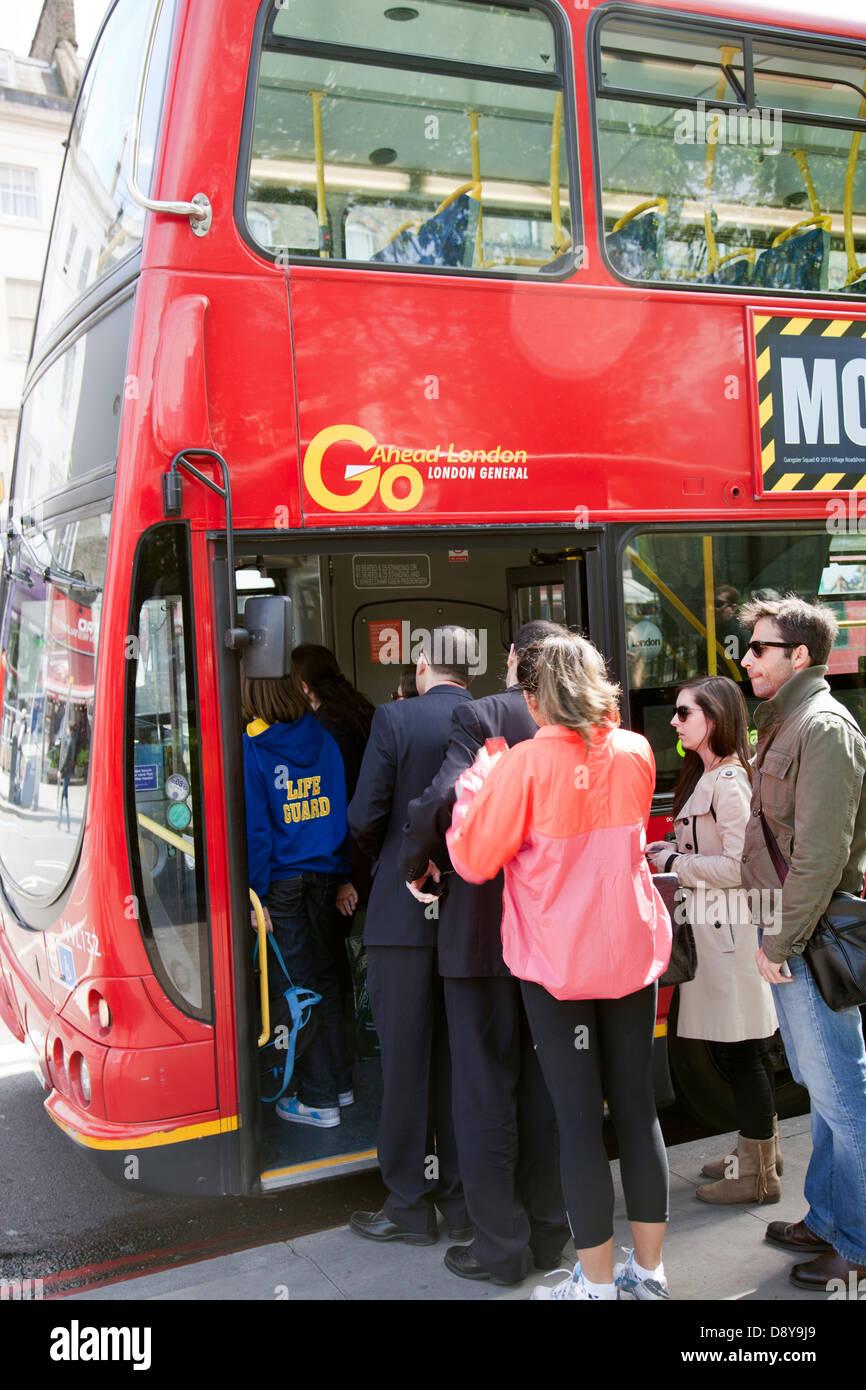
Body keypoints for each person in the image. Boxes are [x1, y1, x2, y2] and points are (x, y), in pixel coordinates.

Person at [447, 631, 672, 1301]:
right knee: (637, 1111)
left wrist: (474, 785)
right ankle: (651, 1276)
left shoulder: (520, 764)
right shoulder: (636, 750)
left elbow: (472, 859)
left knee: (578, 1121)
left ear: (537, 694)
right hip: (632, 957)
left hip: (559, 965)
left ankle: (597, 1287)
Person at [399, 619, 569, 1285]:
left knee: (483, 1091)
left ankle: (501, 1251)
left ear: (514, 660)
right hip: (554, 939)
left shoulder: (485, 714)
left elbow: (440, 799)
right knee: (547, 1089)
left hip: (481, 936)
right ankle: (552, 1235)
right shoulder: (589, 717)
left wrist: (421, 863)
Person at [740, 595, 866, 1290]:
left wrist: (781, 941)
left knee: (846, 1095)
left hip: (809, 933)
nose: (748, 659)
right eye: (749, 647)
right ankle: (829, 1218)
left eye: (760, 648)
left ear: (801, 656)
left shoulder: (822, 726)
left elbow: (821, 854)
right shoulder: (787, 721)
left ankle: (861, 1240)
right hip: (790, 926)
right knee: (821, 1088)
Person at [347, 626, 478, 1246]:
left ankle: (407, 1204)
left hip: (401, 920)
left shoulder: (393, 720)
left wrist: (399, 862)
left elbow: (364, 816)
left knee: (404, 1062)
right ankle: (459, 1201)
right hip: (469, 915)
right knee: (459, 1060)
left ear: (422, 663)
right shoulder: (491, 718)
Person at [645, 676, 780, 1204]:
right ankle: (758, 1148)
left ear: (715, 719)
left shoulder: (728, 781)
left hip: (729, 933)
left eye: (684, 713)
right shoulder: (714, 775)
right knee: (740, 1050)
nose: (674, 722)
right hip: (717, 931)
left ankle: (758, 1175)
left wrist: (674, 861)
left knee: (742, 1053)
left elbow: (740, 864)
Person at [242, 671, 357, 1128]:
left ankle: (318, 1097)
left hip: (284, 885)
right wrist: (344, 874)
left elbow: (256, 828)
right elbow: (340, 812)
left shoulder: (256, 747)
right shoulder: (325, 739)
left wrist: (257, 894)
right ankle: (343, 1086)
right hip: (327, 877)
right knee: (327, 980)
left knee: (298, 989)